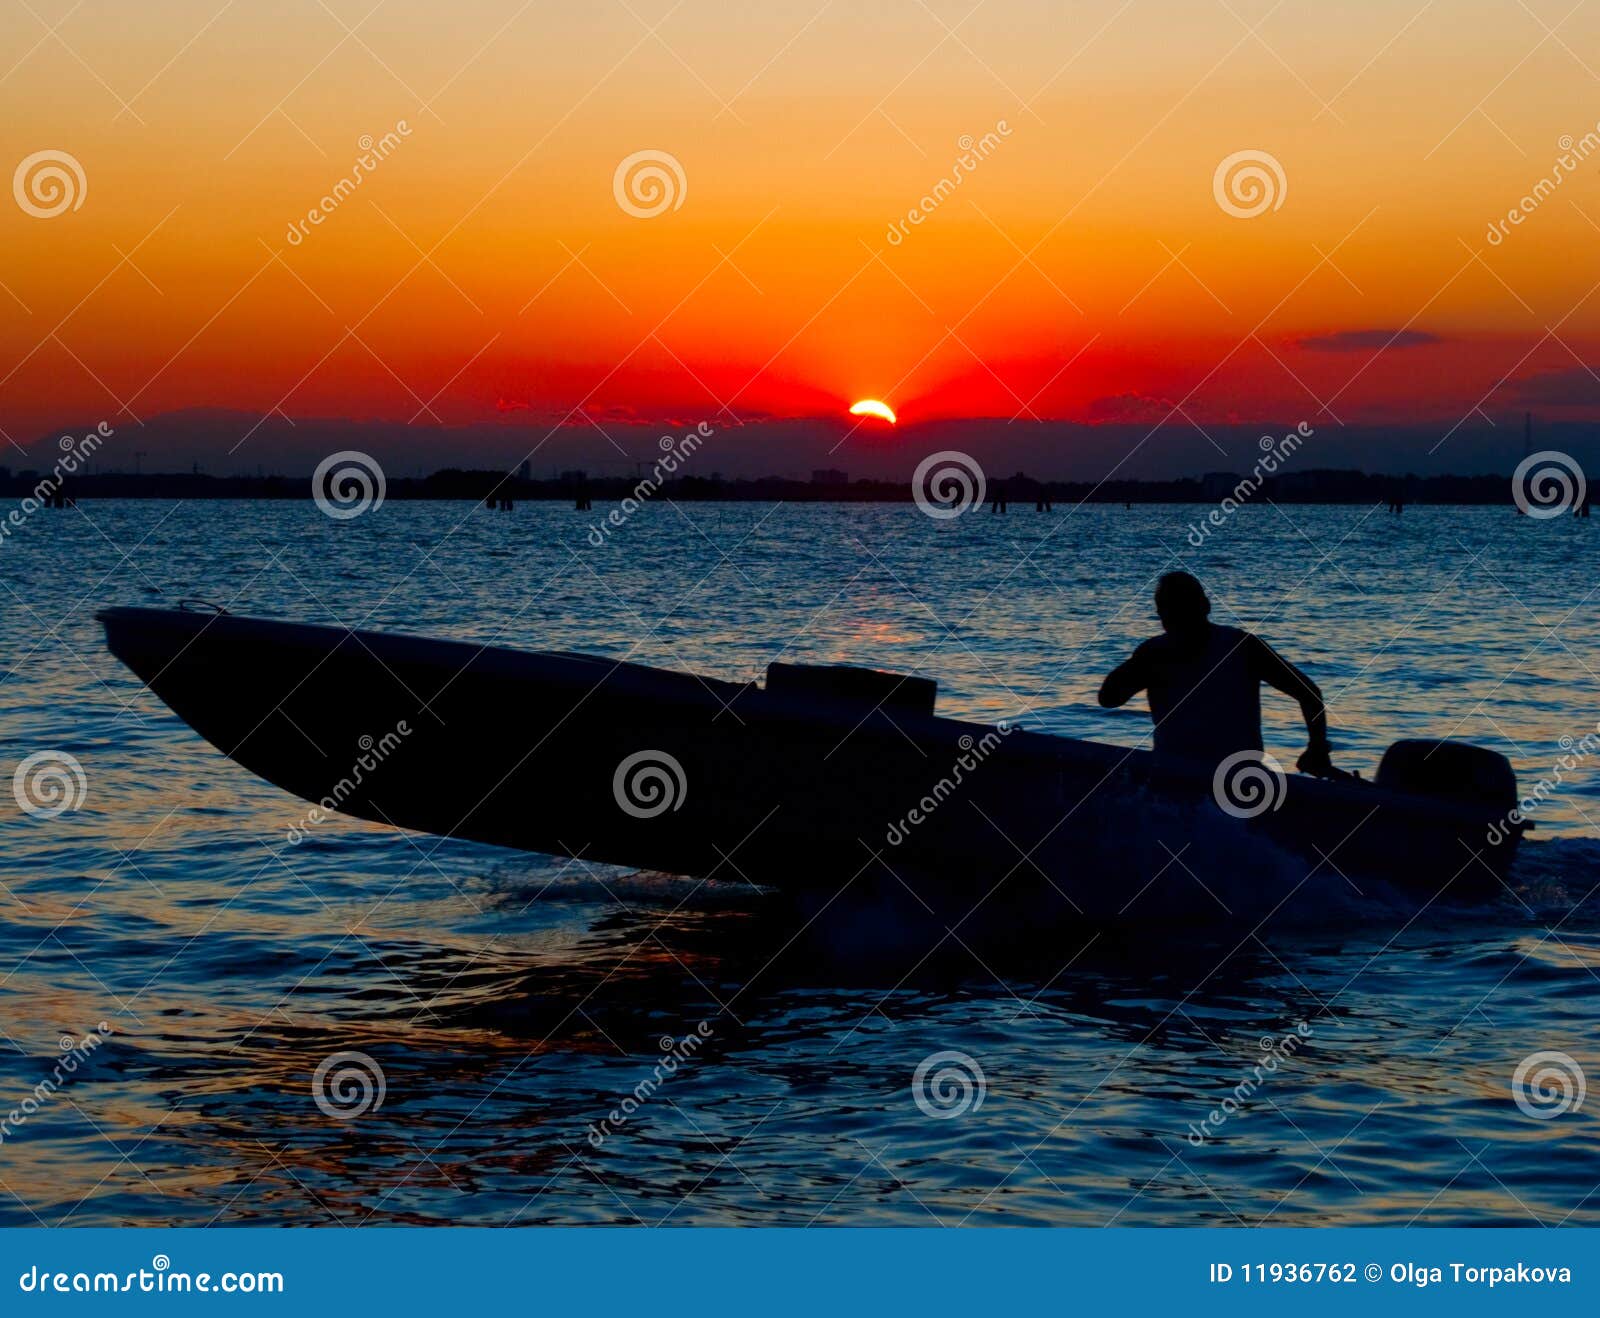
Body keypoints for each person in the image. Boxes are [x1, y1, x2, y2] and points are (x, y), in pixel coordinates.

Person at [1098, 571, 1333, 775]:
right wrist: (1317, 747)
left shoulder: (1241, 647)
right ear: (1206, 606)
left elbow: (1107, 699)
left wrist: (1317, 748)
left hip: (1181, 783)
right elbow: (1108, 698)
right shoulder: (1156, 654)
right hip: (1207, 781)